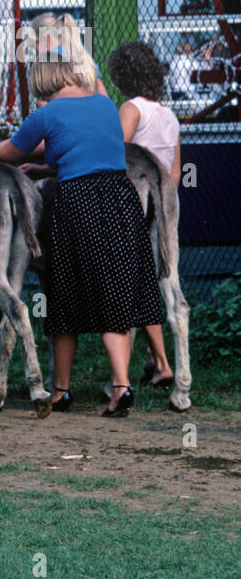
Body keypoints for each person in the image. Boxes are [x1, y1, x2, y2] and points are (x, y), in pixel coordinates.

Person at [0, 57, 163, 417]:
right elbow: (92, 151)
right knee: (114, 290)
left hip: (77, 200)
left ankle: (61, 390)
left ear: (44, 81)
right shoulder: (103, 103)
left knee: (65, 292)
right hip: (119, 195)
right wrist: (46, 166)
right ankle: (121, 384)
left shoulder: (46, 114)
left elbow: (6, 152)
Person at [109, 39, 182, 389]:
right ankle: (161, 362)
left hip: (135, 199)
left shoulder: (131, 109)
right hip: (165, 204)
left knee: (131, 283)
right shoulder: (169, 115)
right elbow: (174, 173)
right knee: (160, 279)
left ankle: (138, 371)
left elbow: (114, 154)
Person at [29, 12, 108, 96]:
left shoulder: (49, 63)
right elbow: (104, 97)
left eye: (35, 45)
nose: (36, 54)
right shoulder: (86, 59)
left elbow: (44, 103)